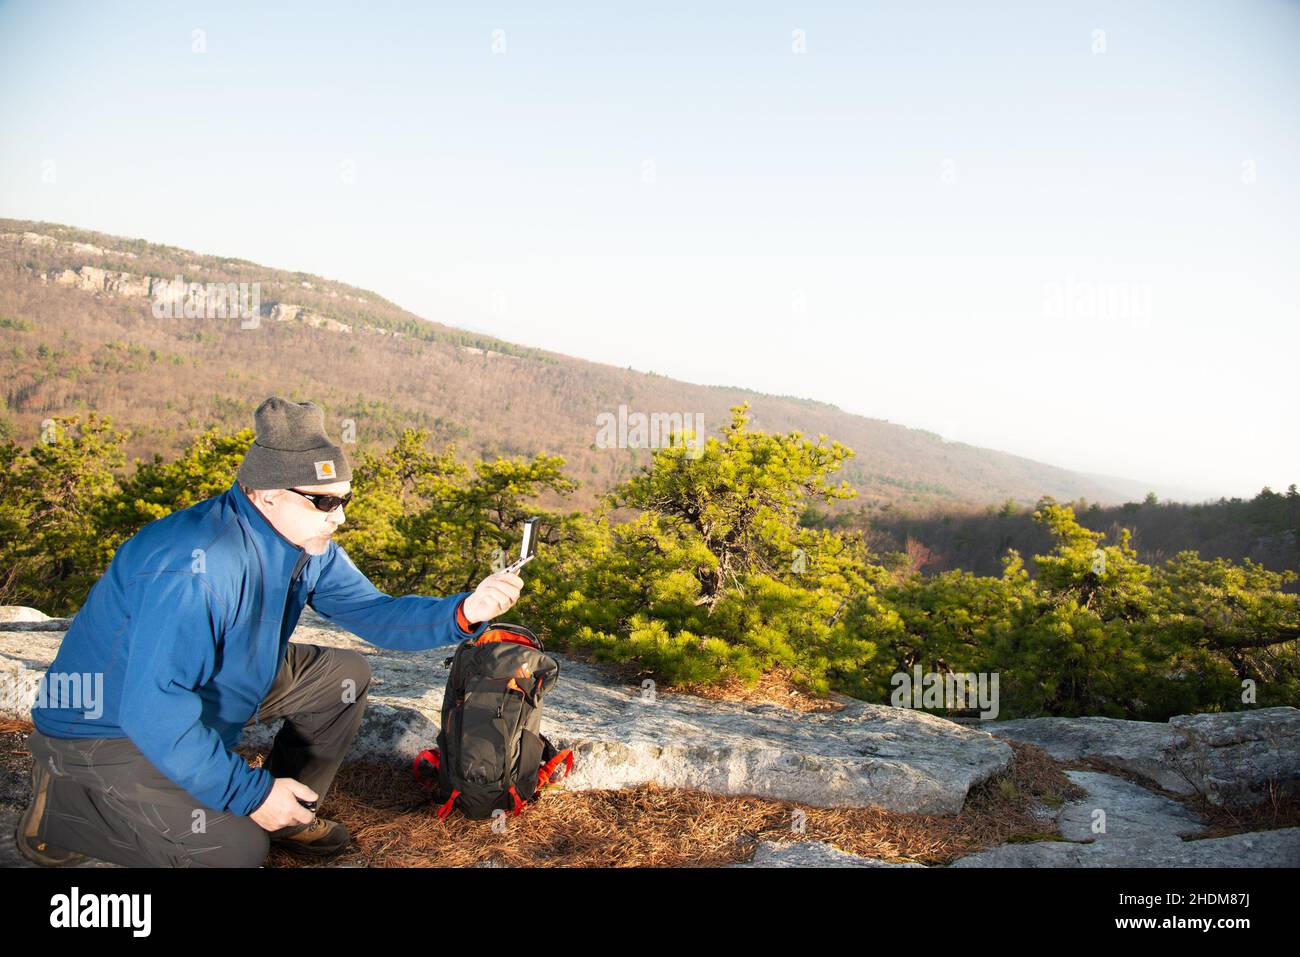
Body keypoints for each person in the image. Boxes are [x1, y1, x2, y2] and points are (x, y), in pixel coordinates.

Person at [16, 396, 523, 867]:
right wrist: (248, 794)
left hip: (213, 686)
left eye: (344, 499)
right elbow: (154, 709)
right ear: (265, 495)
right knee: (234, 850)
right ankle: (67, 808)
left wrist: (466, 609)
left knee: (342, 676)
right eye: (323, 502)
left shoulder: (304, 543)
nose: (339, 517)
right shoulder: (195, 567)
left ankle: (291, 809)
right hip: (110, 729)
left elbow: (372, 611)